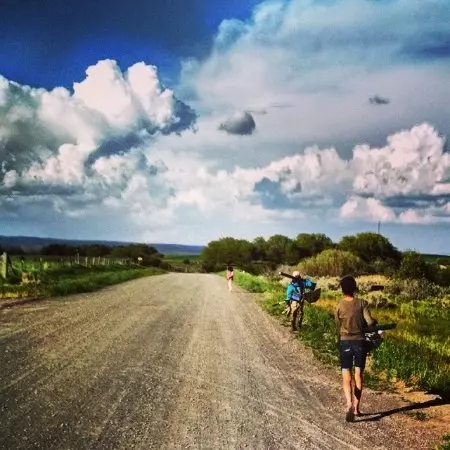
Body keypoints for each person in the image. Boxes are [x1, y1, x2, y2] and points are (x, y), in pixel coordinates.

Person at [334, 275, 376, 423]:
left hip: (345, 342)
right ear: (355, 288)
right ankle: (357, 408)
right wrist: (372, 323)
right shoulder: (362, 303)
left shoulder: (339, 305)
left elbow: (337, 326)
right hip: (359, 342)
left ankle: (348, 404)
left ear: (342, 289)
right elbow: (370, 322)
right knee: (358, 374)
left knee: (346, 376)